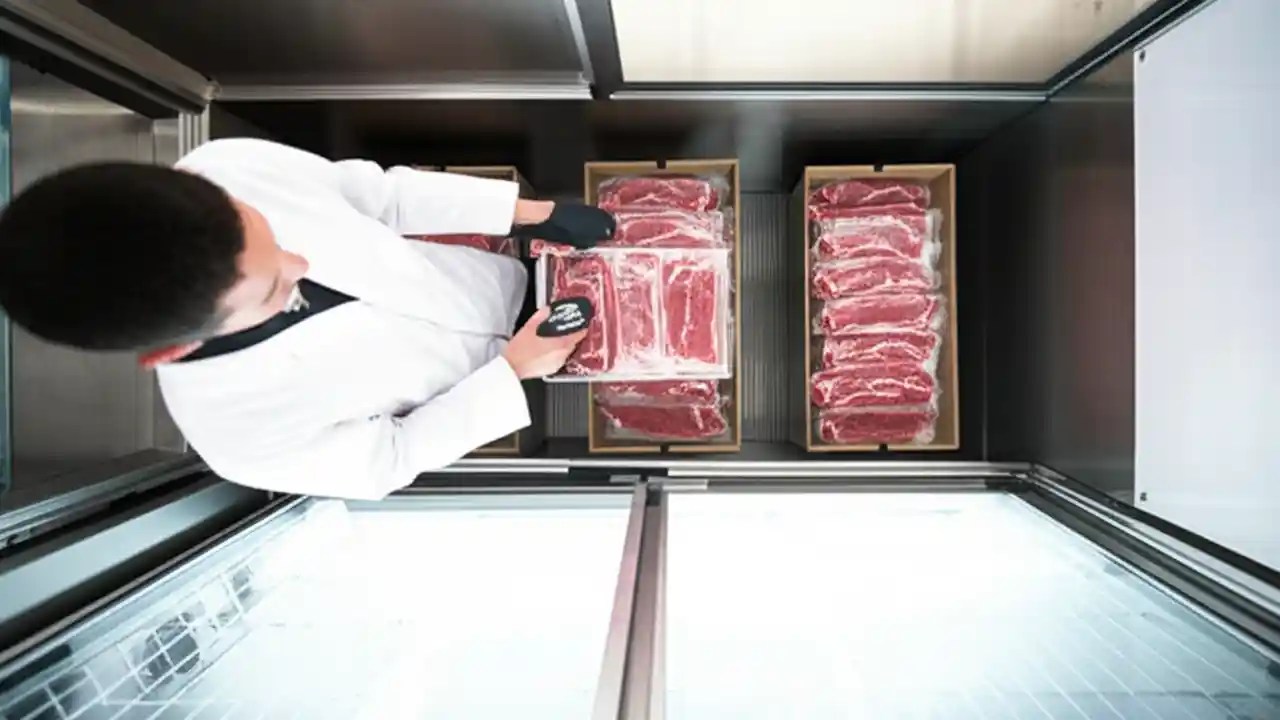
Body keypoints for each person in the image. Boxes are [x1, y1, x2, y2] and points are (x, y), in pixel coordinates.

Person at [0, 138, 614, 499]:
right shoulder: (236, 438)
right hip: (494, 371)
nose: (299, 259)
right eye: (273, 285)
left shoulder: (223, 164)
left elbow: (378, 197)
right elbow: (390, 458)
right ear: (169, 350)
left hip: (489, 277)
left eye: (263, 230)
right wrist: (511, 372)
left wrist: (528, 214)